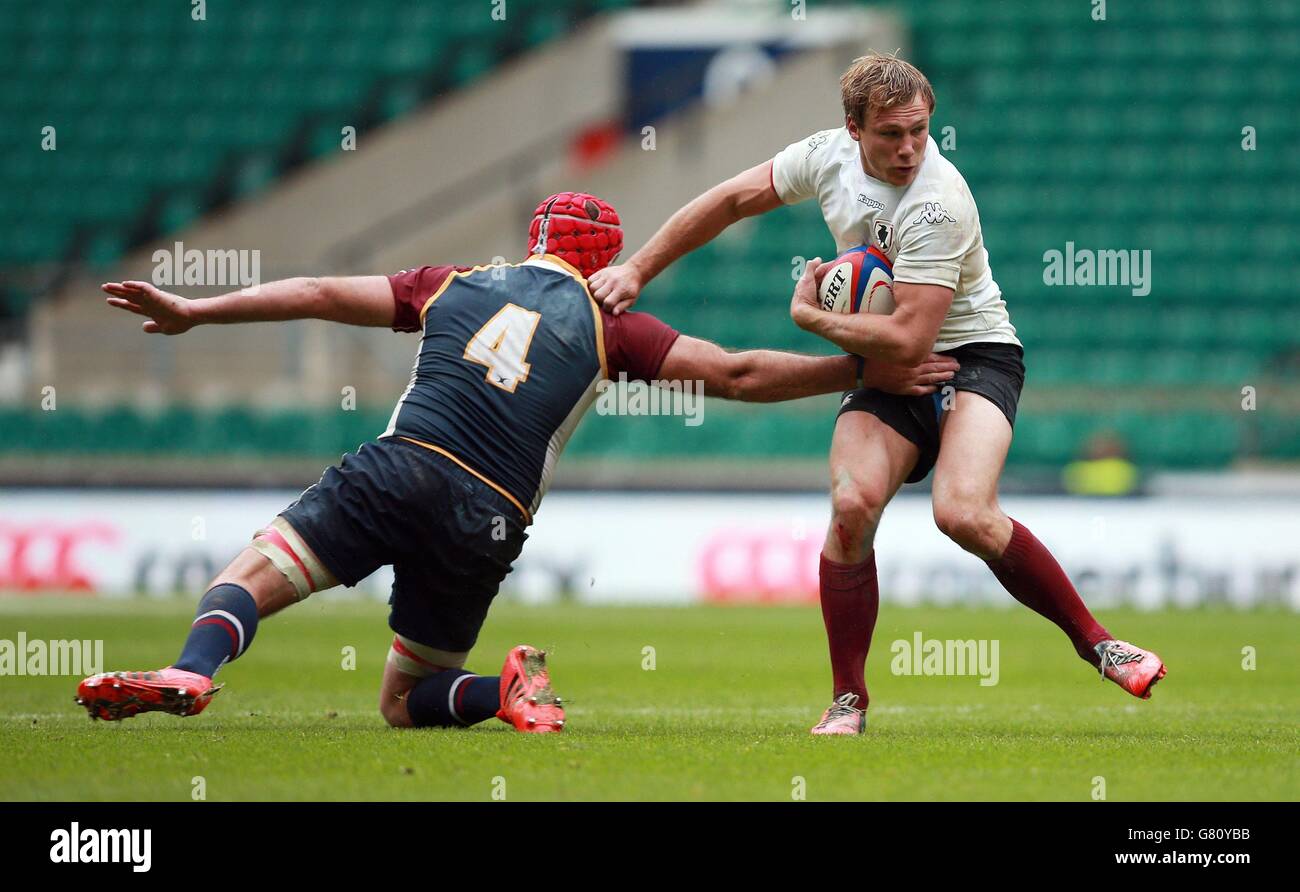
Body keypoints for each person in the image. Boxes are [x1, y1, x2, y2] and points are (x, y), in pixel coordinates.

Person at [76, 191, 959, 734]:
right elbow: (735, 373)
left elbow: (313, 293)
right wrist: (857, 369)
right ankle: (498, 691)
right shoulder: (614, 325)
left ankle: (194, 669)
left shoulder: (451, 283)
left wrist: (199, 311)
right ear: (606, 260)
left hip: (402, 464)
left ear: (534, 235)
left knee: (253, 572)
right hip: (490, 517)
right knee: (403, 698)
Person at [589, 55, 1167, 735]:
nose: (909, 148)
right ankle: (848, 700)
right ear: (852, 130)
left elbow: (911, 338)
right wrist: (635, 270)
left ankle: (1098, 642)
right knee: (851, 505)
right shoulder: (826, 158)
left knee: (962, 512)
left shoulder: (938, 200)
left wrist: (813, 320)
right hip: (885, 355)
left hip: (974, 356)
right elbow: (730, 200)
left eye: (920, 131)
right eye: (891, 134)